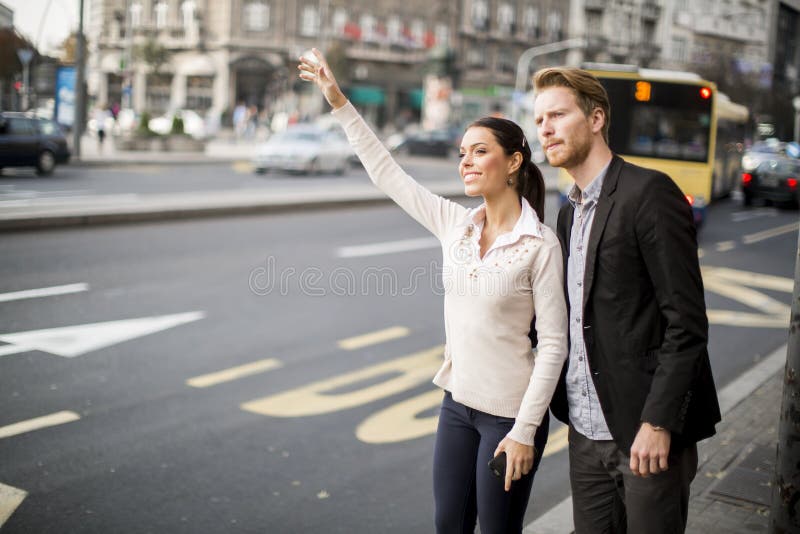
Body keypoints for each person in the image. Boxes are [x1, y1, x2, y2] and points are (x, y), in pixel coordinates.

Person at [299, 49, 568, 534]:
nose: (466, 161)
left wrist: (526, 431)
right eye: (463, 152)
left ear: (514, 162)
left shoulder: (540, 244)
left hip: (509, 417)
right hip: (457, 404)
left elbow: (553, 345)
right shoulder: (456, 225)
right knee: (449, 524)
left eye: (479, 151)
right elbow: (388, 174)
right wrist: (338, 101)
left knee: (498, 530)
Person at [532, 66, 721, 533]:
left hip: (644, 430)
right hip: (584, 430)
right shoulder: (566, 213)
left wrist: (658, 423)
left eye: (557, 114)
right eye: (539, 121)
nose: (546, 129)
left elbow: (687, 322)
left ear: (596, 119)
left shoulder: (648, 192)